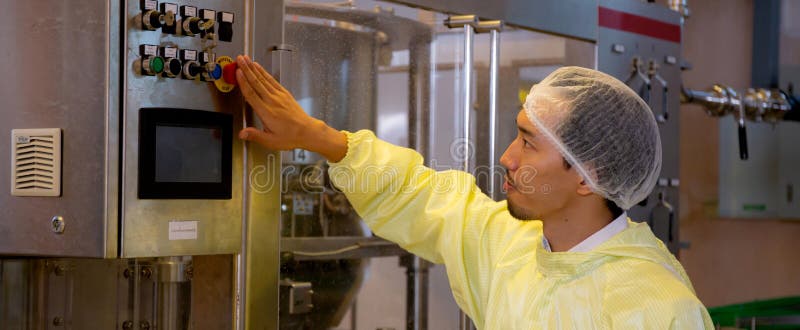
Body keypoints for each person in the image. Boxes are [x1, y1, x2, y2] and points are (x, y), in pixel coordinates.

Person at [233, 55, 713, 329]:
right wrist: (318, 137)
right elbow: (423, 196)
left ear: (589, 175)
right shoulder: (513, 246)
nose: (506, 157)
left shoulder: (657, 310)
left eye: (529, 142)